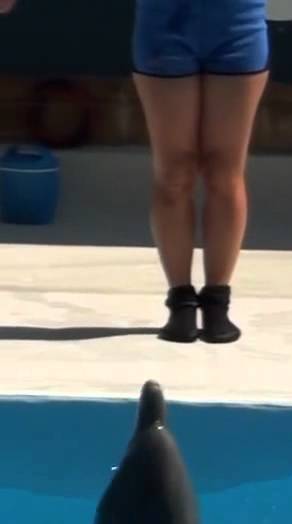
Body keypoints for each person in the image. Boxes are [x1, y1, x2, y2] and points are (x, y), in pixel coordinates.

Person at [2, 0, 269, 343]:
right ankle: (181, 301)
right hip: (165, 25)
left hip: (238, 24)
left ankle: (217, 301)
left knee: (224, 171)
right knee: (174, 171)